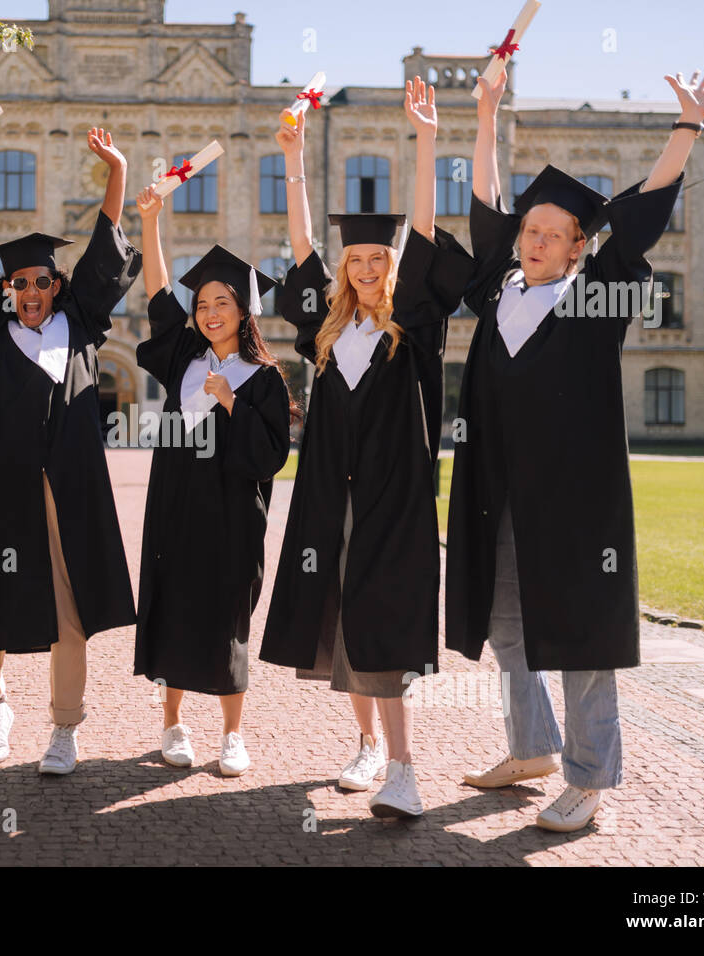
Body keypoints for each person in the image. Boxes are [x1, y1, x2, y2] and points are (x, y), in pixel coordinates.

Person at [446, 66, 704, 832]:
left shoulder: (595, 299)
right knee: (507, 627)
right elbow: (484, 204)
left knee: (578, 635)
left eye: (551, 235)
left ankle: (590, 777)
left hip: (573, 502)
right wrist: (486, 110)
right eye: (528, 231)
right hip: (496, 494)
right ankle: (532, 748)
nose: (534, 241)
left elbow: (639, 222)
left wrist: (686, 132)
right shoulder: (497, 294)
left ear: (576, 250)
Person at [260, 78, 474, 817]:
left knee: (381, 625)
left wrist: (425, 138)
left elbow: (422, 236)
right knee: (337, 618)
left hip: (393, 498)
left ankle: (405, 768)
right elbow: (298, 246)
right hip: (330, 496)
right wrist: (290, 157)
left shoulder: (412, 326)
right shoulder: (327, 329)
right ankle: (367, 746)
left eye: (377, 259)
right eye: (356, 260)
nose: (365, 268)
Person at [0, 129, 141, 775]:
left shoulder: (82, 327)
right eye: (19, 283)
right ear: (9, 288)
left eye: (41, 281)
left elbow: (106, 251)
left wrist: (119, 172)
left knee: (68, 611)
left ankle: (64, 727)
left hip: (70, 494)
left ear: (56, 283)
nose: (31, 291)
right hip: (5, 493)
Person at [132, 185, 292, 776]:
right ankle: (172, 724)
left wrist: (232, 405)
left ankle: (232, 735)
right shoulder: (183, 360)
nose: (209, 313)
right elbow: (155, 293)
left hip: (232, 518)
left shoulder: (265, 378)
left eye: (221, 302)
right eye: (202, 304)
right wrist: (150, 221)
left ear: (243, 310)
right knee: (173, 605)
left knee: (228, 617)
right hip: (175, 509)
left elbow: (273, 455)